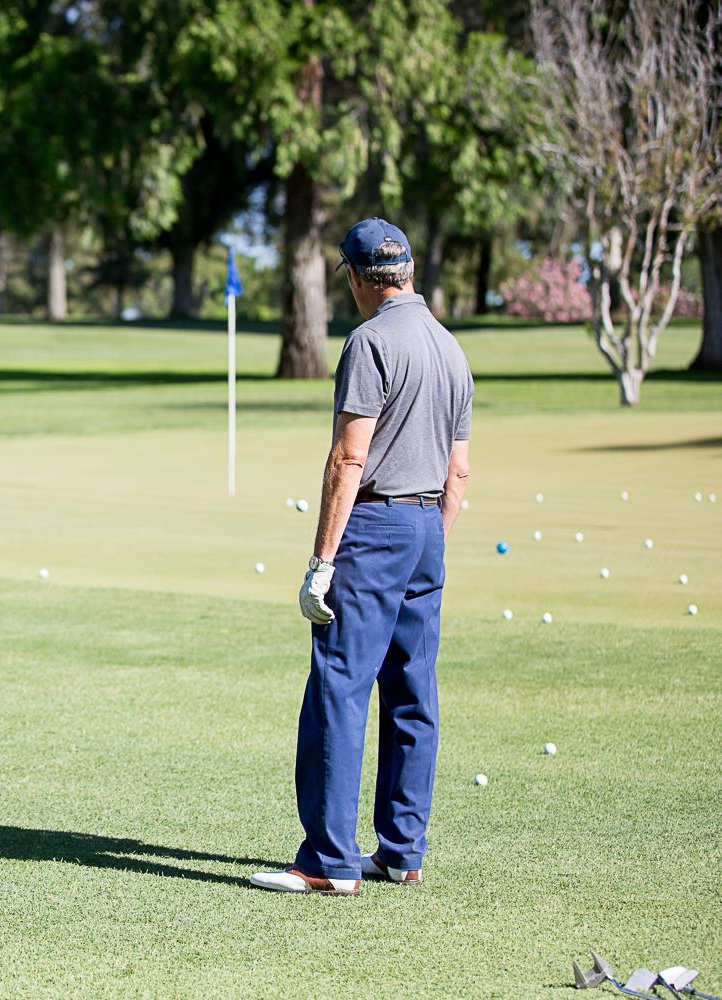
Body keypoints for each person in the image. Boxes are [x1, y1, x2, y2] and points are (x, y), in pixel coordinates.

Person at [251, 218, 473, 897]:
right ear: (406, 270)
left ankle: (327, 862)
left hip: (373, 528)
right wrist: (427, 539)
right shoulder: (448, 345)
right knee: (412, 692)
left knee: (338, 689)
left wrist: (323, 559)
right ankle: (402, 851)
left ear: (353, 277)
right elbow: (459, 473)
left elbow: (350, 458)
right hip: (428, 528)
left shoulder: (370, 341)